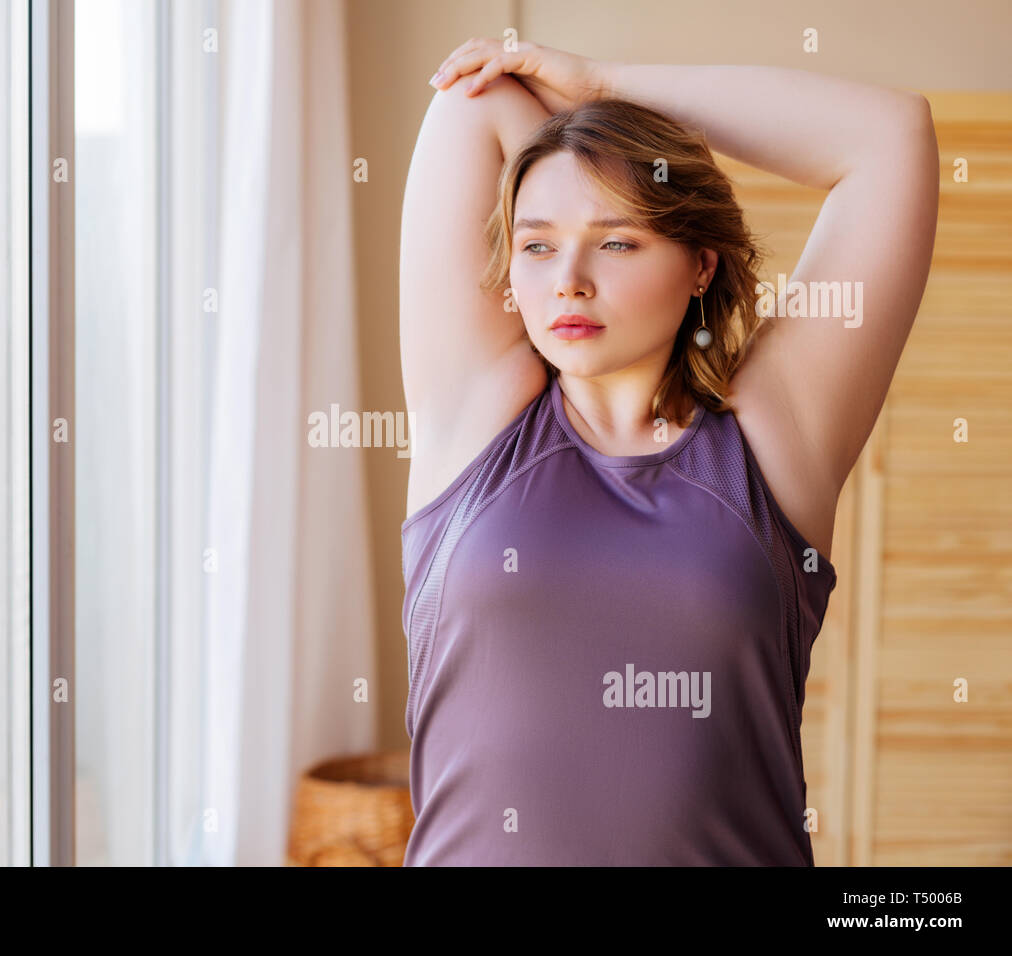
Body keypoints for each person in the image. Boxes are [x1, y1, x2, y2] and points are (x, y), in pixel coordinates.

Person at [398, 39, 938, 865]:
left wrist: (608, 88)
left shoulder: (770, 438)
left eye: (617, 242)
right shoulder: (477, 418)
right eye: (537, 245)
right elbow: (473, 99)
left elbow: (891, 137)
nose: (569, 279)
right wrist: (588, 134)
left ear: (700, 264)